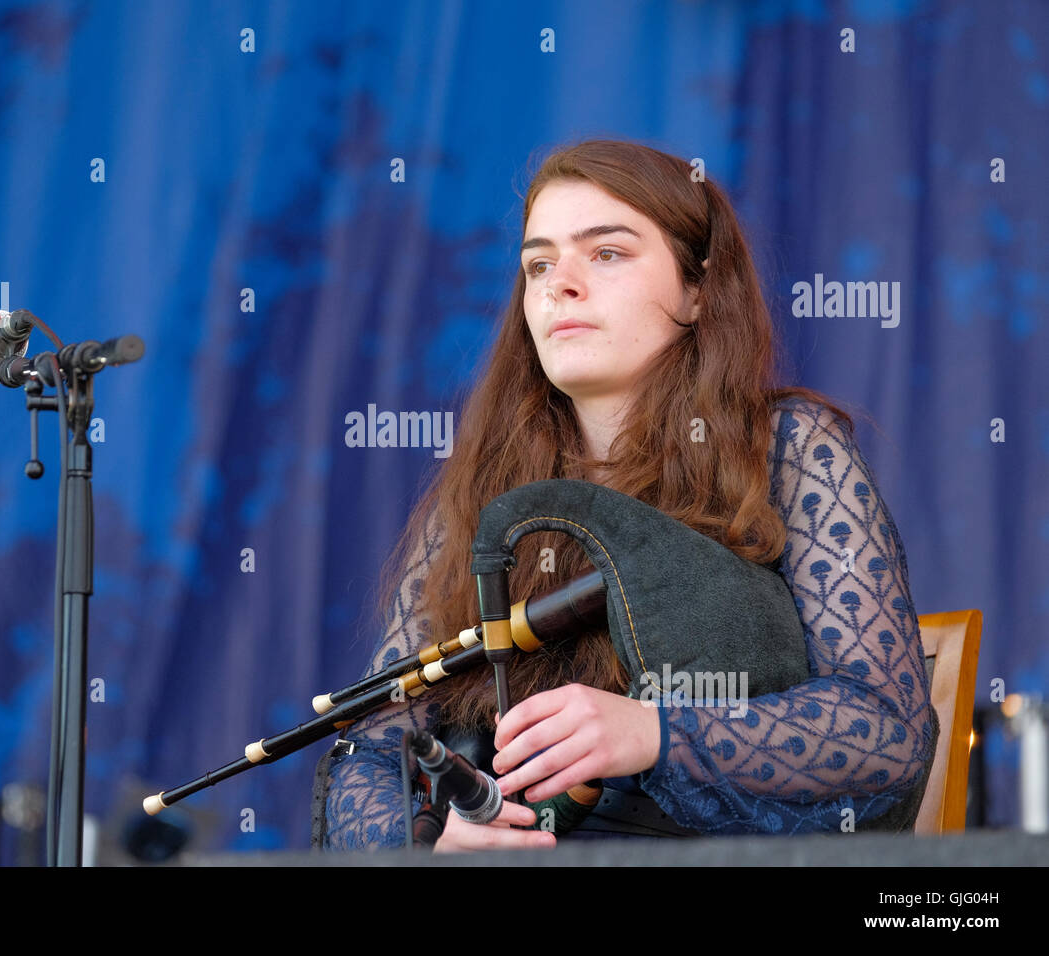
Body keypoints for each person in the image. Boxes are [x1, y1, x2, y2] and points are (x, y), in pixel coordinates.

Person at [323, 140, 937, 851]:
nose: (562, 285)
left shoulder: (792, 450)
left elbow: (886, 731)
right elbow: (366, 752)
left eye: (606, 253)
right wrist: (427, 841)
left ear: (698, 287)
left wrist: (654, 732)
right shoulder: (482, 494)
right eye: (540, 265)